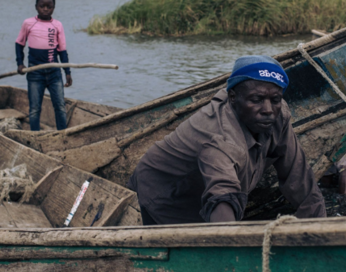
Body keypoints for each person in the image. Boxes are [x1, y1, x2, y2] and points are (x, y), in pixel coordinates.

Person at [128, 55, 326, 225]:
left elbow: (297, 173)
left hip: (201, 186)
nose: (268, 110)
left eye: (275, 99)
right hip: (164, 191)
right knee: (194, 247)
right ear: (232, 98)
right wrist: (230, 248)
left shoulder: (278, 113)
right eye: (256, 100)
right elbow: (223, 194)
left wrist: (320, 228)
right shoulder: (220, 137)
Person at [15, 0, 72, 131]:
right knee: (34, 109)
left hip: (54, 72)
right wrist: (20, 64)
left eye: (49, 6)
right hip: (35, 73)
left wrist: (67, 72)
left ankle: (63, 135)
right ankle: (35, 137)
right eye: (42, 6)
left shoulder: (57, 25)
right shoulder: (28, 23)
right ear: (36, 7)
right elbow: (19, 44)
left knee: (60, 106)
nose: (46, 9)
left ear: (54, 8)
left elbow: (62, 50)